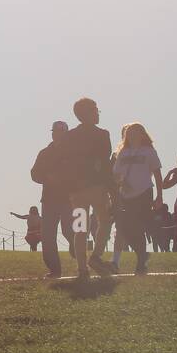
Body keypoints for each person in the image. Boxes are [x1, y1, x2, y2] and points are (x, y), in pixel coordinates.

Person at [63, 97, 113, 279]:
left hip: (76, 191)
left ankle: (82, 268)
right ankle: (96, 256)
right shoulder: (103, 134)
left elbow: (66, 162)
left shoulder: (70, 136)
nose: (97, 113)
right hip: (96, 187)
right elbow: (105, 161)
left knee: (80, 228)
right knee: (105, 221)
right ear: (86, 113)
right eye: (95, 110)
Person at [110, 122, 162, 274]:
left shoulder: (149, 151)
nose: (132, 135)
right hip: (126, 194)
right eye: (130, 133)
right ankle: (142, 255)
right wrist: (122, 182)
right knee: (125, 228)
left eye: (136, 132)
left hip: (144, 192)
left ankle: (140, 264)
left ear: (142, 134)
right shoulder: (123, 153)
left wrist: (159, 196)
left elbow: (157, 174)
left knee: (138, 228)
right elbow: (115, 174)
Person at [31, 120, 76, 277]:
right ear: (52, 133)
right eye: (55, 132)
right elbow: (34, 173)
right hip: (49, 200)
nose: (58, 135)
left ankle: (82, 260)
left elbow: (81, 173)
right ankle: (54, 270)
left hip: (70, 199)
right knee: (48, 235)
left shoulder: (74, 153)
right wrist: (47, 178)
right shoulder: (44, 153)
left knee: (70, 231)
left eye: (61, 132)